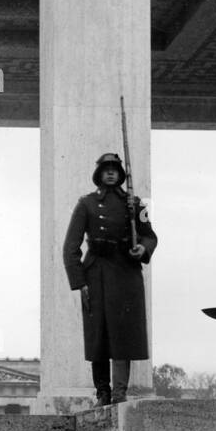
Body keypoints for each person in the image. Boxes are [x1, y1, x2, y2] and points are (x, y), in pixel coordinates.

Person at [62, 152, 157, 406]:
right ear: (99, 174)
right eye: (106, 169)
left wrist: (142, 248)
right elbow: (70, 247)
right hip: (97, 274)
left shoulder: (136, 204)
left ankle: (119, 393)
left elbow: (150, 236)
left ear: (121, 173)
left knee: (124, 335)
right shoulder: (86, 204)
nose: (111, 172)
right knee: (99, 336)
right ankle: (103, 393)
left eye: (115, 168)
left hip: (126, 272)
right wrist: (80, 282)